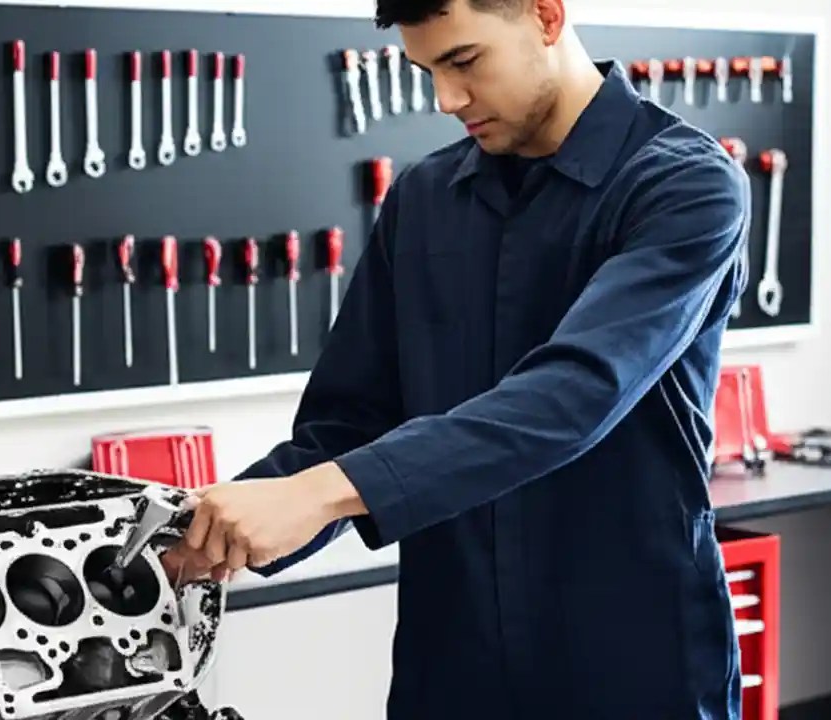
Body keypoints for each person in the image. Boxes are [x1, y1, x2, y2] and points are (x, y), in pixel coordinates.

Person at [162, 0, 751, 716]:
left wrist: (321, 493)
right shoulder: (423, 197)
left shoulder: (686, 187)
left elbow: (573, 393)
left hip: (629, 658)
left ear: (545, 14)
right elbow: (349, 423)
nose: (446, 100)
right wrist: (195, 534)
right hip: (452, 659)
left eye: (465, 61)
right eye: (427, 70)